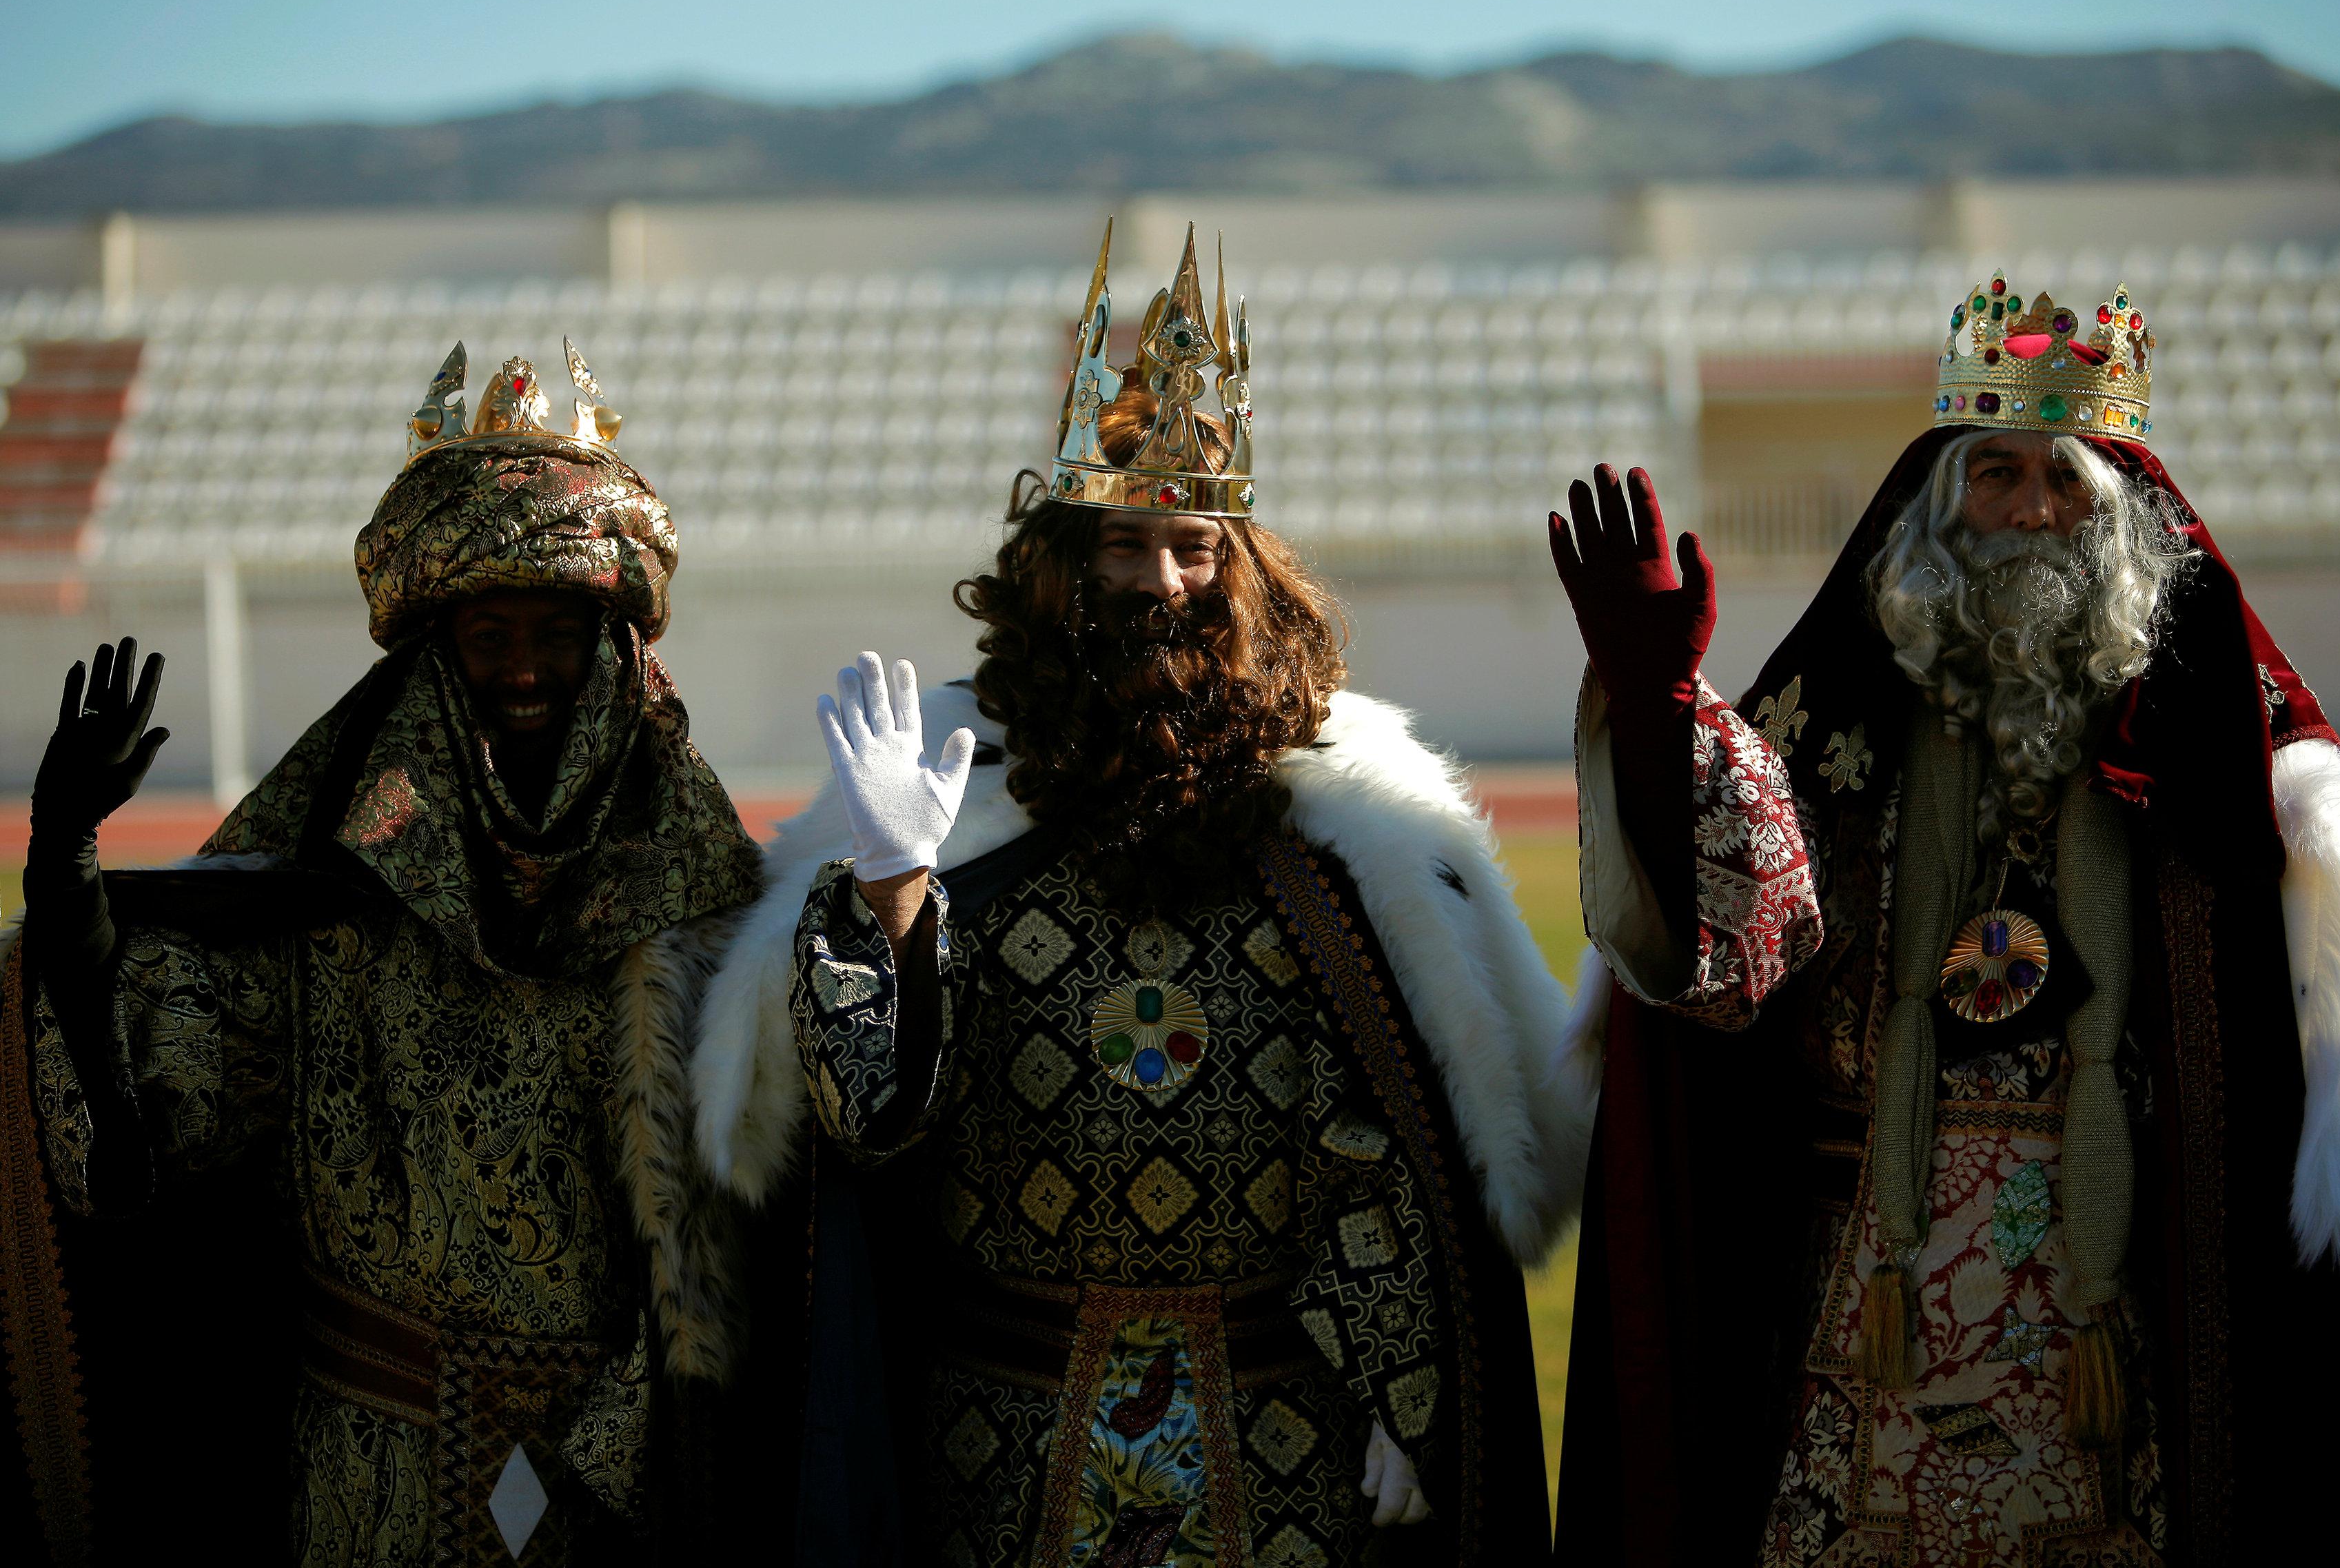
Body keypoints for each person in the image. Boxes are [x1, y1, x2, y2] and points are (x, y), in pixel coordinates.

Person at [690, 224, 1591, 1565]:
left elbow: (1390, 1134)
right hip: (999, 1430)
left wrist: (1410, 1381)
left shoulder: (1354, 811)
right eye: (1122, 548)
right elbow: (860, 1123)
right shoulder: (946, 784)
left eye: (1192, 547)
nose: (1162, 583)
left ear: (1240, 566)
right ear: (1055, 563)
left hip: (1287, 1426)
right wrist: (888, 895)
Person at [1547, 276, 2340, 1562]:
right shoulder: (1844, 737)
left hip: (2119, 1329)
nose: (2029, 512)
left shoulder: (2216, 765)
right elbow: (1733, 970)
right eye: (1994, 474)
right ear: (1938, 504)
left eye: (2066, 480)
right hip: (1867, 1312)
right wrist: (1661, 709)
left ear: (2128, 517)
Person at [0, 341, 758, 1565]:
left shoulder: (706, 900)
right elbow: (165, 1114)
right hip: (370, 1475)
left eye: (556, 631)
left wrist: (605, 1465)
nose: (522, 667)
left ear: (613, 645)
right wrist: (69, 873)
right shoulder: (327, 898)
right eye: (486, 631)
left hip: (622, 1489)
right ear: (431, 655)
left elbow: (757, 1223)